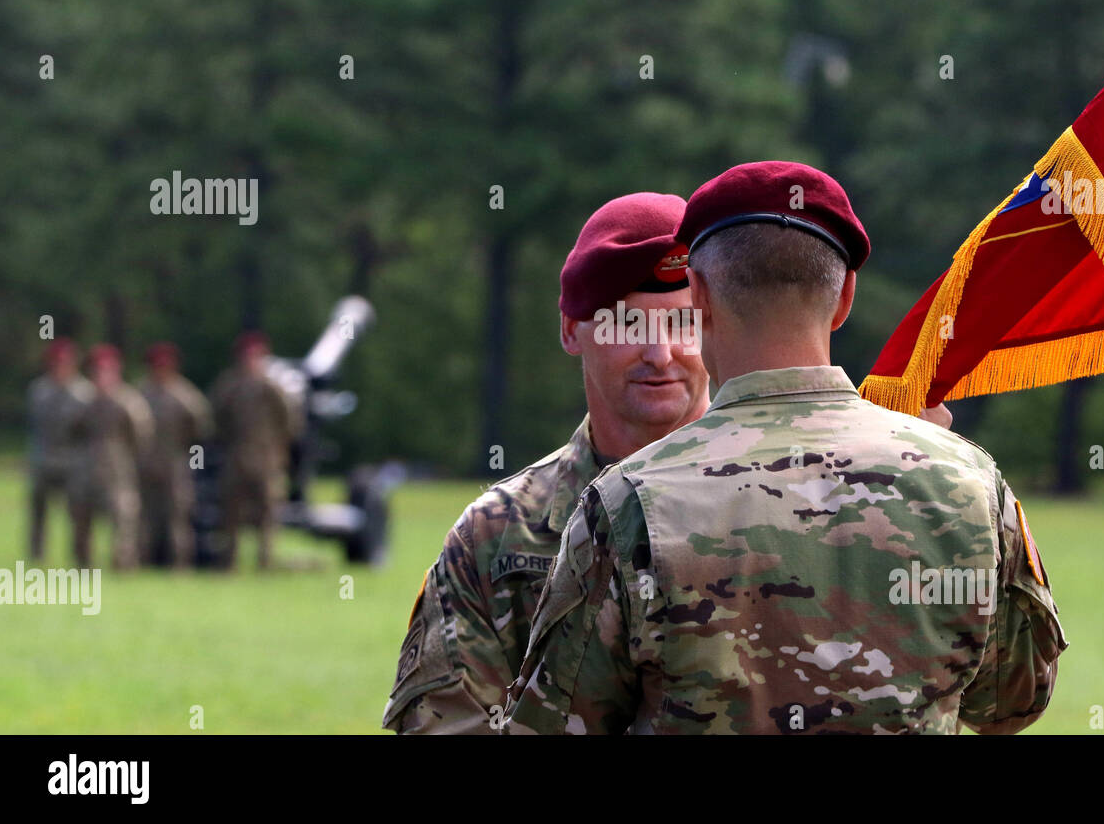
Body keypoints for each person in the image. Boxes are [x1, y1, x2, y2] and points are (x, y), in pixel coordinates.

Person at [505, 161, 1067, 735]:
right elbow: (1012, 703)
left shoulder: (626, 502)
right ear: (846, 296)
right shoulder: (967, 482)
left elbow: (552, 724)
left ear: (696, 294)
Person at [383, 193, 711, 734]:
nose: (659, 352)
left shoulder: (776, 507)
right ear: (570, 330)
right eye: (626, 324)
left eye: (683, 323)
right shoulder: (494, 535)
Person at [210, 332, 296, 570]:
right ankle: (229, 561)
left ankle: (265, 561)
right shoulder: (229, 386)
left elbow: (289, 421)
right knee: (231, 511)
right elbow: (218, 419)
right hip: (236, 457)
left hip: (267, 459)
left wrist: (278, 448)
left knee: (268, 511)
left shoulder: (273, 389)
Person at [67, 344, 153, 569]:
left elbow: (141, 438)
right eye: (97, 372)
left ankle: (123, 565)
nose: (102, 377)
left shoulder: (129, 402)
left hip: (118, 469)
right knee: (80, 517)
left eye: (107, 371)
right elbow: (72, 432)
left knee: (123, 517)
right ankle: (82, 566)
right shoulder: (82, 402)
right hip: (86, 468)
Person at [138, 342, 212, 568]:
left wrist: (194, 462)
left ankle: (180, 564)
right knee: (145, 517)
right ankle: (143, 561)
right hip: (146, 463)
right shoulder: (140, 394)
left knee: (178, 517)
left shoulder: (186, 396)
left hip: (176, 464)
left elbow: (201, 431)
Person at [26, 338, 94, 563]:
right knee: (38, 512)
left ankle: (80, 558)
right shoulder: (38, 390)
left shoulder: (85, 393)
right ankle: (37, 557)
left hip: (73, 461)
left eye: (64, 363)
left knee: (79, 512)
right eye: (55, 363)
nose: (59, 367)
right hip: (44, 459)